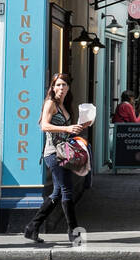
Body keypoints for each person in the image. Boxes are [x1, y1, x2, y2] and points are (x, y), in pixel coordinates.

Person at [25, 73, 91, 246]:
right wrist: (68, 127)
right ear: (53, 87)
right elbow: (44, 126)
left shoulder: (64, 105)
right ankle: (74, 233)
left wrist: (80, 126)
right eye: (59, 85)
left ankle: (32, 227)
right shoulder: (50, 103)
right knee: (67, 190)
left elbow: (65, 131)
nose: (62, 88)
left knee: (57, 192)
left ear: (68, 88)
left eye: (65, 85)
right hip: (53, 153)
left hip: (64, 152)